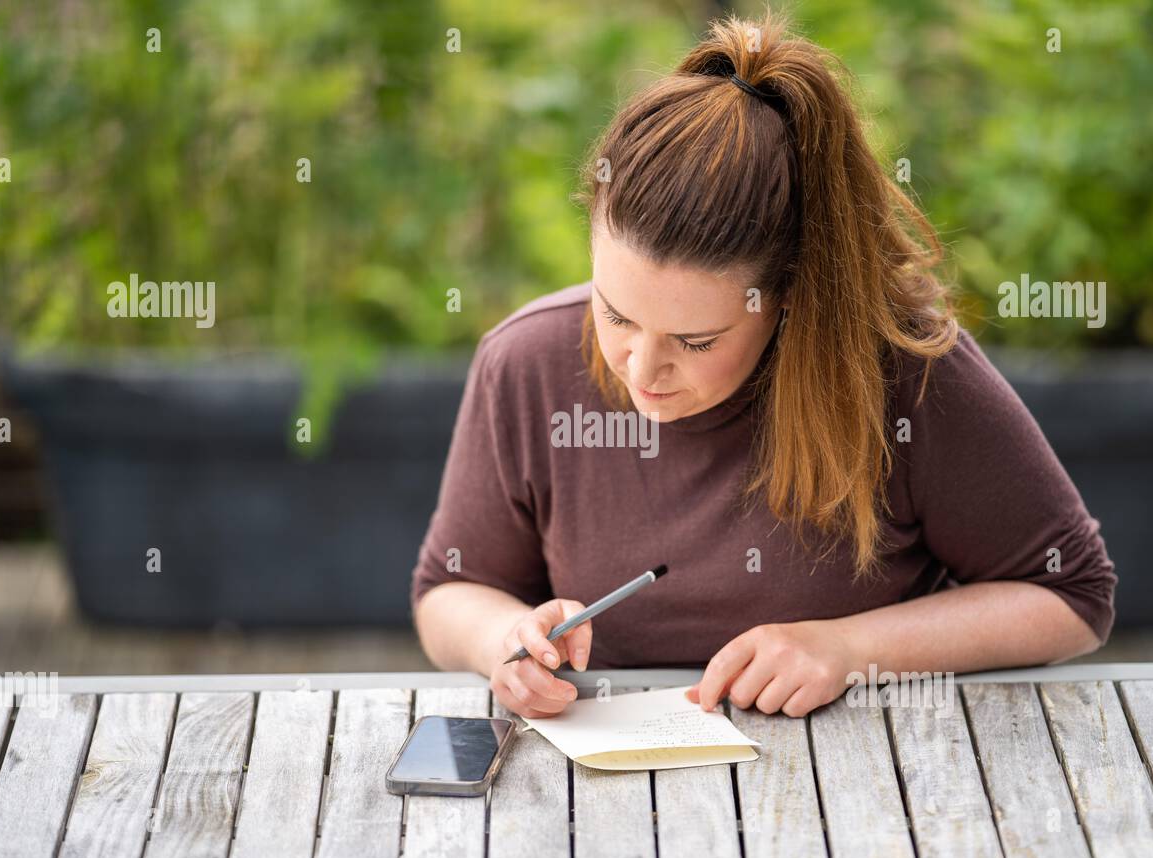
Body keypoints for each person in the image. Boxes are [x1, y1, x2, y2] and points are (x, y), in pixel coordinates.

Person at [410, 11, 1116, 720]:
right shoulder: (525, 363)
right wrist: (503, 636)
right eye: (616, 314)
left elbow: (1073, 596)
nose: (642, 369)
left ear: (787, 295)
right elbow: (446, 592)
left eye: (696, 341)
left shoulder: (906, 374)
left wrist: (848, 650)